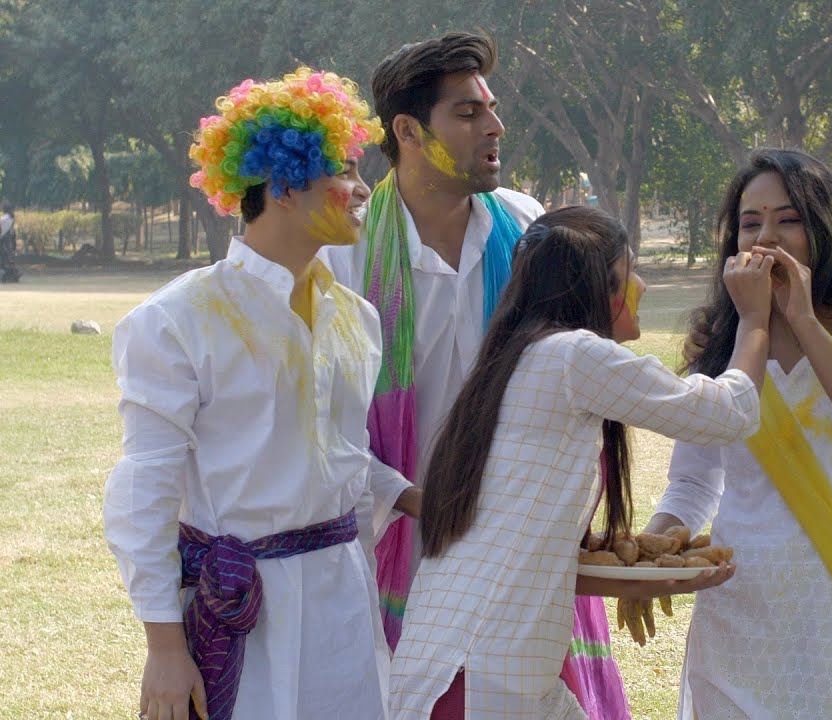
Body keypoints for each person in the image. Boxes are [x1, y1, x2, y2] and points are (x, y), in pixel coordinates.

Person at [316, 32, 632, 718]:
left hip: (523, 545)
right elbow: (325, 431)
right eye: (466, 113)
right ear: (406, 130)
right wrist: (416, 500)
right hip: (398, 544)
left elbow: (587, 387)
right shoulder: (344, 259)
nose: (495, 126)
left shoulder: (528, 230)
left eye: (490, 108)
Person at [104, 67, 420, 720]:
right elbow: (146, 486)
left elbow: (338, 459)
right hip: (241, 609)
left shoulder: (354, 319)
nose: (365, 190)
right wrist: (164, 644)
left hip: (343, 604)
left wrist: (418, 501)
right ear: (281, 185)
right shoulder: (176, 321)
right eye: (344, 171)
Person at [388, 205, 773, 719]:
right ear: (600, 285)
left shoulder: (512, 359)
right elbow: (729, 413)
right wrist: (753, 317)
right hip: (485, 677)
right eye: (630, 270)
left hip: (456, 664)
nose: (642, 286)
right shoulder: (573, 356)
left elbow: (525, 547)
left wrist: (640, 575)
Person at [645, 148, 832, 719]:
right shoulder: (726, 344)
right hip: (741, 608)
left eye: (789, 219)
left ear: (826, 227)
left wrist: (799, 318)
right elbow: (695, 482)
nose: (766, 237)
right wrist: (651, 549)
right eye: (751, 223)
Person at [0, 203, 19, 283]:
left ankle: (10, 274)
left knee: (4, 259)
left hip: (3, 240)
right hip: (7, 241)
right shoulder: (11, 218)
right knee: (6, 259)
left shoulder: (4, 218)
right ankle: (13, 273)